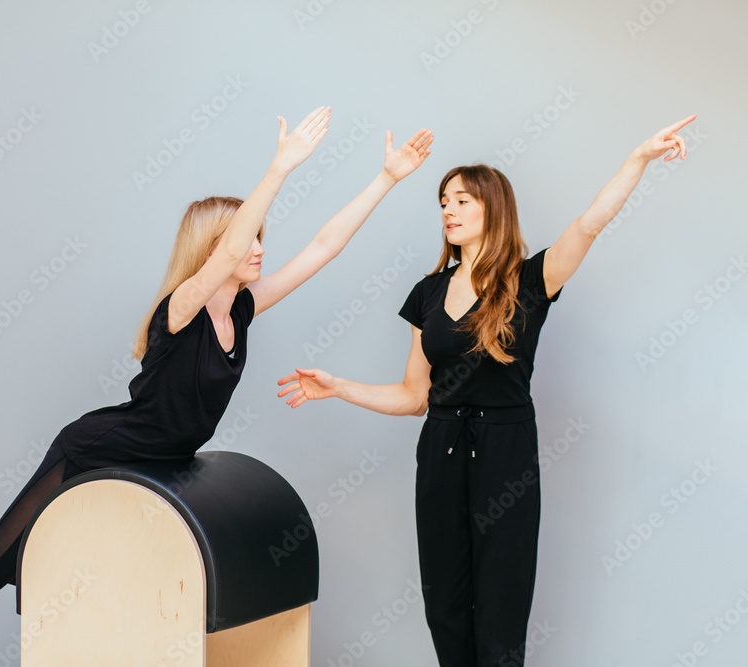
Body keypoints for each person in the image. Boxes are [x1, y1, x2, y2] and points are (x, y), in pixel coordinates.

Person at [0, 105, 435, 653]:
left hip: (152, 460)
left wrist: (385, 179)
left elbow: (323, 248)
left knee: (8, 561)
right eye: (248, 239)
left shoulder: (243, 308)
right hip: (97, 448)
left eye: (262, 237)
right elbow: (225, 253)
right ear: (214, 250)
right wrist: (280, 167)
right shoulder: (181, 308)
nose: (259, 248)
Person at [276, 114, 696, 666]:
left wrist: (638, 158)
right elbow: (414, 397)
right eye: (443, 201)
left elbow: (590, 223)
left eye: (462, 200)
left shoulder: (531, 280)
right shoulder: (427, 293)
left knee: (500, 608)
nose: (447, 210)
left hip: (505, 451)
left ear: (492, 209)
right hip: (441, 449)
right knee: (445, 608)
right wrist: (340, 388)